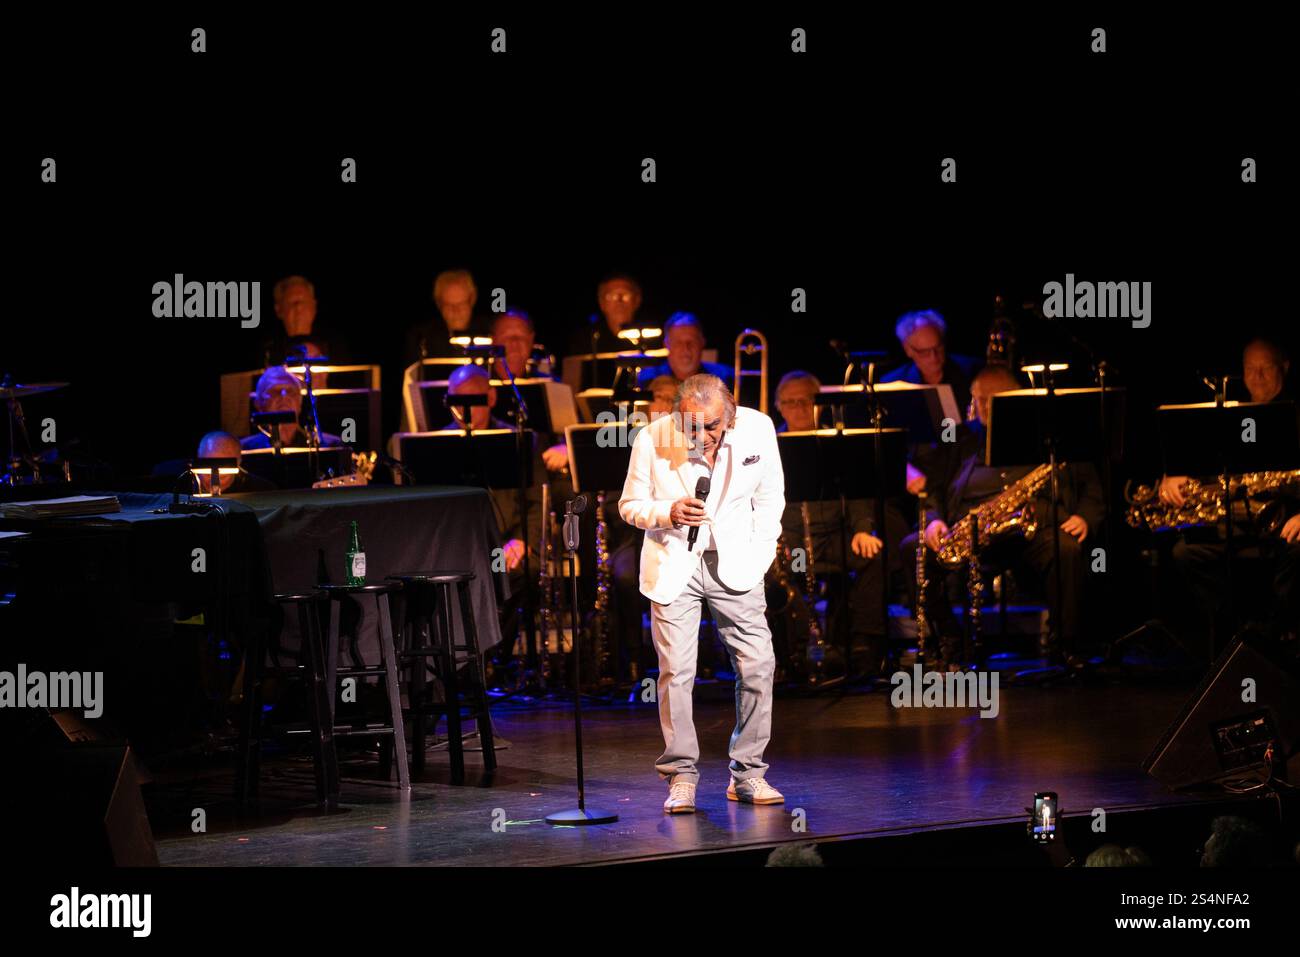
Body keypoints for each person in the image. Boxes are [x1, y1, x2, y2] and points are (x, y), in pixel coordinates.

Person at [619, 373, 785, 813]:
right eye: (691, 427)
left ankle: (748, 773)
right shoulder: (653, 438)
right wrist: (667, 511)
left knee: (758, 666)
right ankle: (681, 776)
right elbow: (629, 504)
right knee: (676, 672)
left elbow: (771, 500)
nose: (701, 436)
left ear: (728, 412)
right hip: (675, 564)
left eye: (710, 426)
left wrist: (761, 556)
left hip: (737, 565)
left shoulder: (758, 427)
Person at [900, 365, 1104, 667]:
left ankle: (1066, 644)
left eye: (989, 399)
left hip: (1033, 529)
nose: (979, 407)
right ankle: (951, 639)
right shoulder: (959, 436)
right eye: (975, 399)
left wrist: (1085, 517)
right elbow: (932, 490)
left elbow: (1091, 485)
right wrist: (934, 521)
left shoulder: (1047, 432)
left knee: (1067, 549)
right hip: (972, 528)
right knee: (912, 549)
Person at [1158, 337, 1300, 661]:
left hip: (1287, 522)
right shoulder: (1228, 418)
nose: (1257, 377)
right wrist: (1175, 476)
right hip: (1238, 524)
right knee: (1186, 552)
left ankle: (1274, 636)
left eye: (1266, 368)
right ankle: (1241, 631)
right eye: (1250, 369)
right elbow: (1200, 467)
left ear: (1285, 368)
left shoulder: (1294, 414)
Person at [773, 370, 907, 676]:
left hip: (834, 535)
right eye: (790, 402)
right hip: (791, 540)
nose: (799, 408)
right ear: (779, 406)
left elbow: (858, 490)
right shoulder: (769, 445)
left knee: (873, 555)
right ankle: (808, 643)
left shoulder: (837, 441)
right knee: (779, 570)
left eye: (806, 401)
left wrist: (863, 528)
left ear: (819, 403)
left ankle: (864, 644)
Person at [882, 309, 983, 497]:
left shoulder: (972, 371)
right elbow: (884, 442)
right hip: (918, 476)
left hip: (964, 469)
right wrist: (904, 469)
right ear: (908, 350)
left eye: (938, 348)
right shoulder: (891, 385)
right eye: (924, 352)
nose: (934, 357)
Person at [256, 275, 350, 369]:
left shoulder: (336, 348)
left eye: (303, 301)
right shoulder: (266, 351)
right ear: (278, 309)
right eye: (291, 302)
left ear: (314, 306)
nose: (298, 308)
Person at [404, 269, 494, 367]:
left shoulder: (491, 332)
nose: (456, 311)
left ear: (472, 300)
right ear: (439, 304)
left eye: (461, 304)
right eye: (448, 305)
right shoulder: (421, 339)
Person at [241, 365, 344, 450]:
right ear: (258, 403)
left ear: (300, 402)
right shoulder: (245, 448)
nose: (284, 397)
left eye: (291, 392)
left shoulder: (329, 446)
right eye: (275, 392)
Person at [635, 313, 734, 390]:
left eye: (691, 341)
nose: (685, 348)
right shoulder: (646, 380)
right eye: (678, 342)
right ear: (666, 344)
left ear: (702, 343)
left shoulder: (727, 377)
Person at [193, 431, 275, 493]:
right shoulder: (182, 487)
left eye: (223, 476)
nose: (214, 482)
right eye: (207, 474)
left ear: (239, 464)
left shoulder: (260, 491)